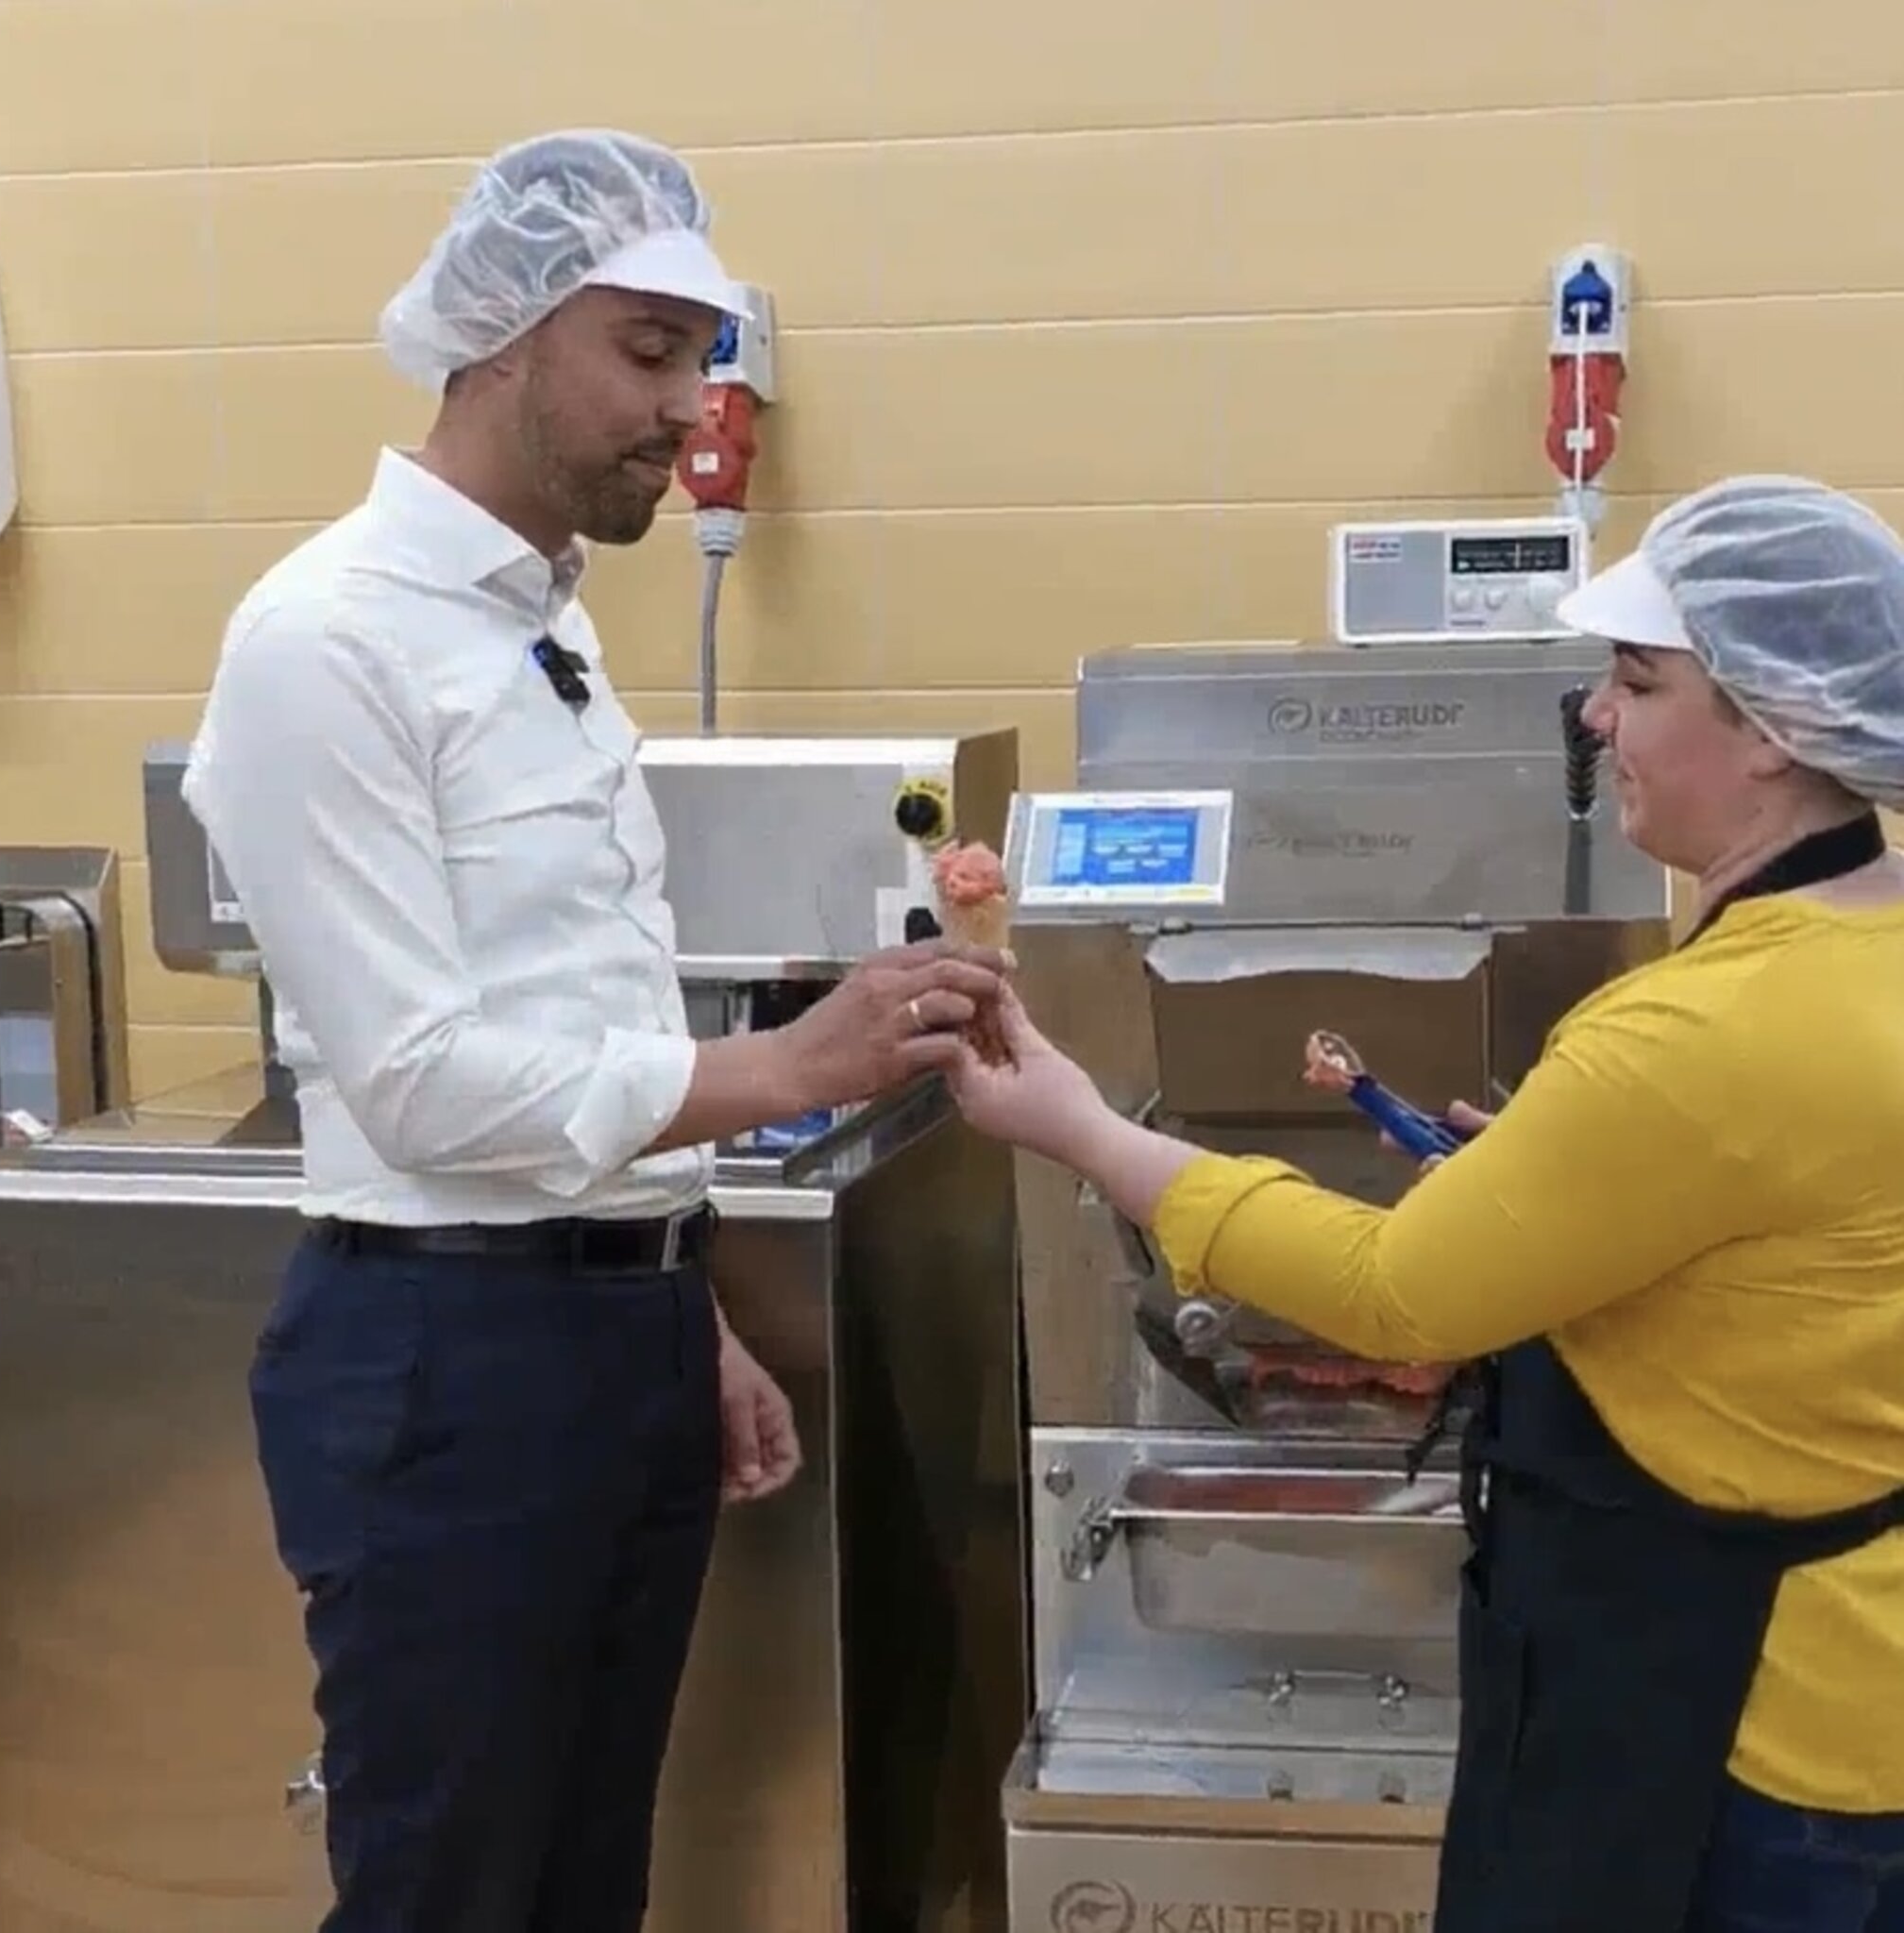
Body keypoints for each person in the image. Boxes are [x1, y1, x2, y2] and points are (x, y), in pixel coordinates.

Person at [183, 129, 1006, 1933]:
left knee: (578, 1882)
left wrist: (675, 1287)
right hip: (444, 1365)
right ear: (497, 339)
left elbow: (579, 1010)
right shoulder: (331, 642)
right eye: (646, 354)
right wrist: (794, 1065)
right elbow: (421, 1080)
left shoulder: (540, 640)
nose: (690, 413)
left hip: (599, 1338)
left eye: (702, 361)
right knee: (451, 1888)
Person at [950, 476, 1904, 1933]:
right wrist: (1556, 1182)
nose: (1593, 717)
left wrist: (1082, 1130)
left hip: (1728, 1735)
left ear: (1773, 732)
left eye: (1636, 683)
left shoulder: (1703, 1032)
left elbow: (1397, 1292)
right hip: (1863, 1674)